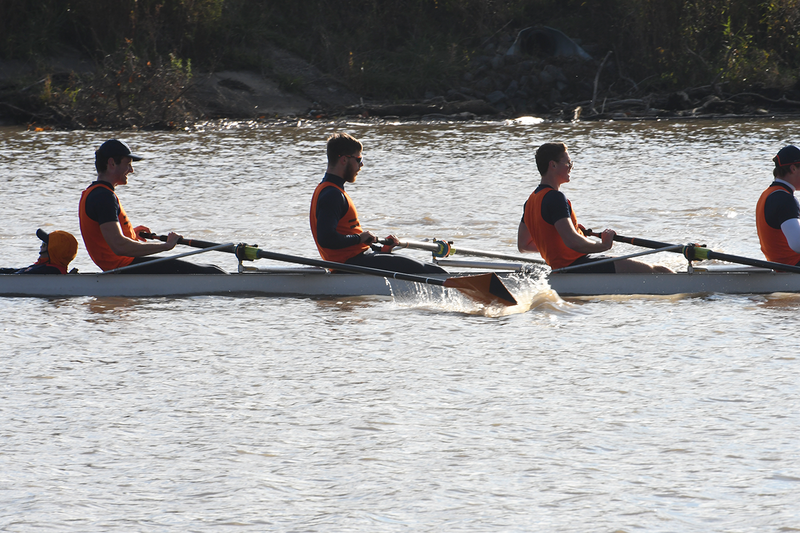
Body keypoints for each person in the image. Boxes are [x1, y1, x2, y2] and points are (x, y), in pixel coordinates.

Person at [517, 142, 672, 273]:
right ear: (553, 165)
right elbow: (572, 242)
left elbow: (524, 245)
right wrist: (603, 245)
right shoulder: (555, 197)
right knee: (658, 271)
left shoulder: (530, 201)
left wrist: (555, 242)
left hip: (562, 268)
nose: (571, 167)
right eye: (568, 163)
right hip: (580, 265)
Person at [79, 139, 225, 274]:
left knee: (213, 268)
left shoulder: (94, 193)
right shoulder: (103, 197)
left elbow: (108, 235)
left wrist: (131, 234)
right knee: (213, 273)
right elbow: (118, 246)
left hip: (123, 264)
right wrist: (165, 246)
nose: (131, 170)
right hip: (124, 266)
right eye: (128, 164)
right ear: (112, 163)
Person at [310, 132, 446, 274]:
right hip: (350, 264)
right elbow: (326, 239)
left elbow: (344, 237)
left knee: (432, 269)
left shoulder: (329, 190)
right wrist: (359, 238)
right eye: (358, 159)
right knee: (433, 272)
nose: (361, 164)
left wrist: (382, 250)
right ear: (344, 160)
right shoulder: (332, 194)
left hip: (359, 258)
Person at [756, 145, 800, 265]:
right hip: (793, 266)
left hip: (779, 265)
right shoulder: (785, 199)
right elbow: (797, 244)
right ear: (793, 169)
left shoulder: (767, 194)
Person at [3, 229, 79, 274]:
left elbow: (16, 276)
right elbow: (15, 271)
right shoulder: (46, 267)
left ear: (53, 250)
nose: (40, 247)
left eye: (44, 245)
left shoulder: (49, 270)